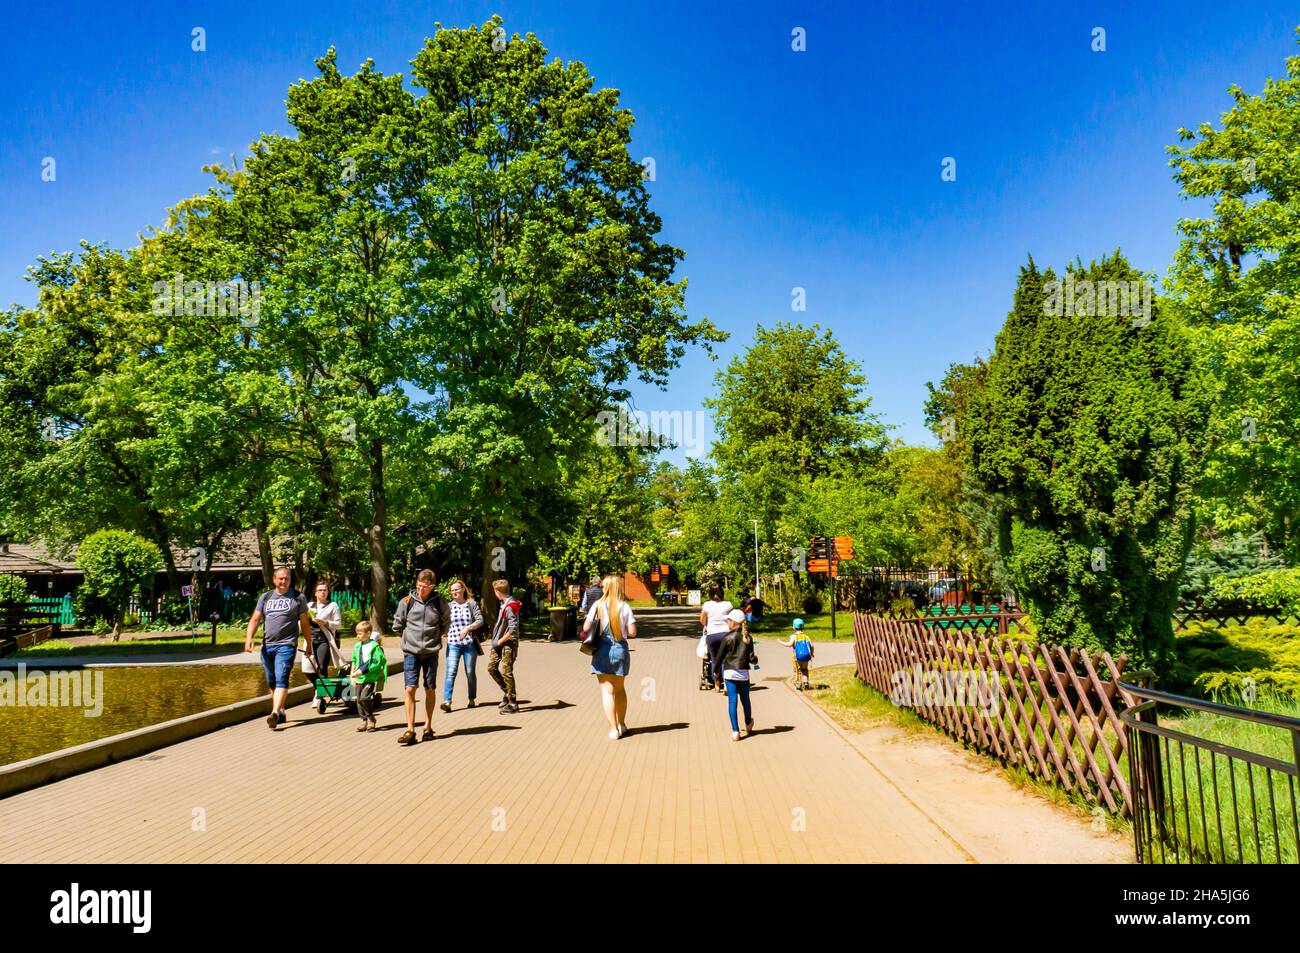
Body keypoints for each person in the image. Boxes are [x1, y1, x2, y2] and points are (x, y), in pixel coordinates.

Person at [244, 566, 313, 730]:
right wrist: (249, 639)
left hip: (287, 645)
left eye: (286, 579)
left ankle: (274, 713)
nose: (283, 581)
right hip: (268, 645)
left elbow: (304, 622)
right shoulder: (266, 597)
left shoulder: (297, 597)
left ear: (290, 580)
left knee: (282, 676)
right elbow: (255, 619)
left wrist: (309, 642)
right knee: (272, 680)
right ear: (274, 579)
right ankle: (281, 710)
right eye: (280, 578)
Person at [392, 569, 451, 745]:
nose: (420, 590)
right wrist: (408, 638)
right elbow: (397, 625)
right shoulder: (406, 602)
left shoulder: (440, 603)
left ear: (432, 586)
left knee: (430, 688)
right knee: (410, 688)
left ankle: (427, 726)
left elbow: (446, 623)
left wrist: (436, 637)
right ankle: (410, 729)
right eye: (418, 586)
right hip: (411, 652)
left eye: (424, 587)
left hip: (431, 652)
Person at [584, 573, 638, 739]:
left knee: (607, 692)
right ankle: (622, 724)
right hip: (620, 650)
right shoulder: (625, 606)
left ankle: (613, 729)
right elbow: (632, 632)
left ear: (605, 588)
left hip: (602, 651)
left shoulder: (597, 606)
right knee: (620, 689)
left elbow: (586, 627)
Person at [441, 579, 485, 712]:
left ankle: (471, 698)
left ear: (463, 589)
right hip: (453, 643)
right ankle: (447, 702)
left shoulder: (471, 604)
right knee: (450, 672)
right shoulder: (448, 606)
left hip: (469, 644)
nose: (454, 592)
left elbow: (480, 620)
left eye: (456, 589)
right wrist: (442, 634)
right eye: (452, 590)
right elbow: (442, 622)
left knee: (470, 672)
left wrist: (468, 628)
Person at [717, 608, 758, 740]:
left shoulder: (727, 637)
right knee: (745, 700)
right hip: (743, 674)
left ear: (734, 622)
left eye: (728, 621)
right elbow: (752, 658)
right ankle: (748, 723)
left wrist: (716, 670)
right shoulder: (748, 638)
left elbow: (719, 657)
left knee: (732, 701)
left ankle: (735, 731)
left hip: (729, 673)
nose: (727, 623)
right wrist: (754, 660)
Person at [488, 579, 522, 713]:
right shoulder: (504, 604)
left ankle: (513, 703)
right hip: (498, 643)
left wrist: (501, 641)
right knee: (491, 668)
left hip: (508, 644)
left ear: (498, 592)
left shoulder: (510, 606)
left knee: (507, 672)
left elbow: (513, 628)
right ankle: (507, 693)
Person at [305, 580, 343, 688]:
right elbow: (302, 623)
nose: (322, 592)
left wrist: (326, 622)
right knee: (306, 669)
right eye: (320, 590)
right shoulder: (309, 606)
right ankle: (322, 689)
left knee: (321, 667)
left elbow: (338, 624)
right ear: (315, 593)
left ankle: (320, 696)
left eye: (325, 590)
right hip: (310, 640)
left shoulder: (332, 605)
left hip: (324, 640)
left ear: (328, 592)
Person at [349, 620, 385, 731]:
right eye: (357, 633)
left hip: (369, 677)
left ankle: (371, 718)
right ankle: (364, 721)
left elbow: (377, 662)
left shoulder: (374, 646)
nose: (357, 636)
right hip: (359, 678)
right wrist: (352, 675)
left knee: (365, 697)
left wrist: (365, 671)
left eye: (360, 633)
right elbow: (354, 661)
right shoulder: (357, 647)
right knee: (359, 700)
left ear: (368, 633)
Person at [699, 586, 733, 692]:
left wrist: (708, 625)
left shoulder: (707, 605)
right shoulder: (728, 605)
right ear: (722, 593)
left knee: (714, 660)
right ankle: (727, 685)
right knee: (725, 660)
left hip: (712, 635)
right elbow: (733, 619)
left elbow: (702, 620)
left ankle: (717, 683)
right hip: (725, 635)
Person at [776, 617, 814, 691]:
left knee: (797, 670)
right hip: (806, 657)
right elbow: (812, 646)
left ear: (793, 627)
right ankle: (806, 682)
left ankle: (798, 684)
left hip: (797, 657)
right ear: (803, 627)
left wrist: (780, 642)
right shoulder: (806, 636)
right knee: (805, 669)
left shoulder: (794, 636)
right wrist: (811, 653)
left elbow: (790, 644)